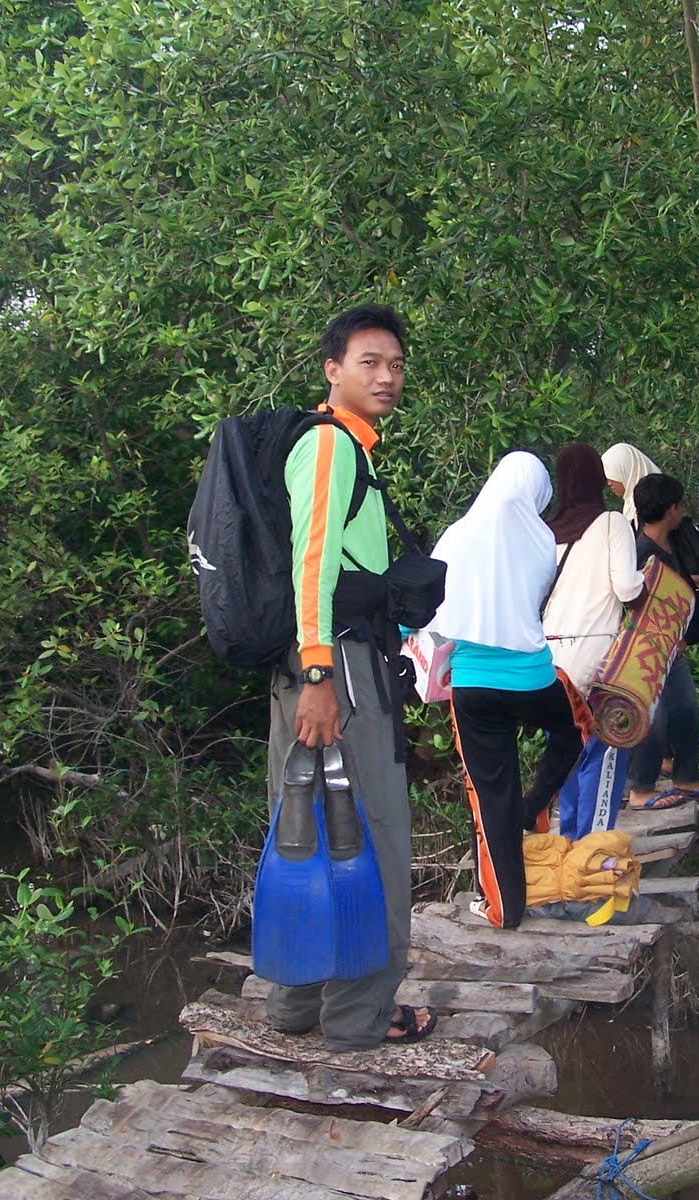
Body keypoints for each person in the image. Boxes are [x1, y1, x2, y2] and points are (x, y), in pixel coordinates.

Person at [265, 304, 433, 1048]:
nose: (387, 376)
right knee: (375, 840)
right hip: (337, 668)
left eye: (395, 364)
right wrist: (319, 673)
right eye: (370, 362)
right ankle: (359, 1023)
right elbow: (313, 565)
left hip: (324, 665)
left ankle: (298, 1011)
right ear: (333, 370)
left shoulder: (335, 446)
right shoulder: (331, 446)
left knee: (308, 836)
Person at [427, 452, 593, 930]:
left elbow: (430, 602)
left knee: (490, 793)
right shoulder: (543, 540)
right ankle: (535, 808)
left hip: (475, 683)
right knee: (571, 734)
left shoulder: (456, 535)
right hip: (534, 678)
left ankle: (505, 908)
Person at [624, 473, 699, 810]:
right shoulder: (641, 552)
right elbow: (638, 602)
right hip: (650, 650)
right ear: (670, 509)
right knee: (654, 716)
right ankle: (642, 787)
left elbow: (668, 586)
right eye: (679, 505)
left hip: (674, 646)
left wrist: (690, 585)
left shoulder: (672, 544)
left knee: (685, 707)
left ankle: (687, 777)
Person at [542, 443, 644, 692]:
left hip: (548, 659)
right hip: (596, 658)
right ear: (597, 476)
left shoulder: (545, 531)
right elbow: (628, 589)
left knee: (562, 728)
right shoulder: (612, 523)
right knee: (599, 729)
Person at [601, 442, 661, 529]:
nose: (609, 483)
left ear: (627, 470)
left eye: (614, 475)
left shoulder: (653, 506)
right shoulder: (631, 506)